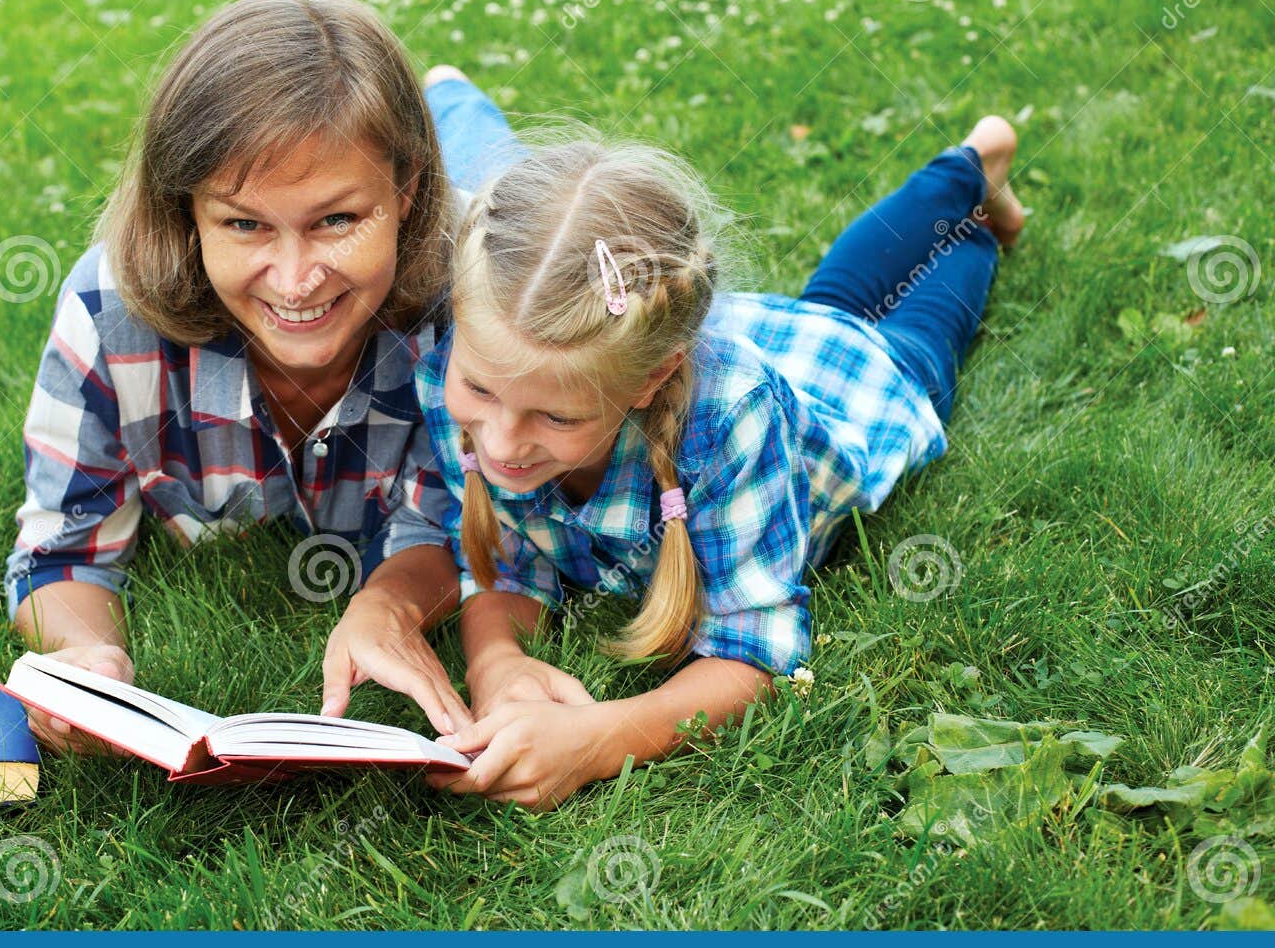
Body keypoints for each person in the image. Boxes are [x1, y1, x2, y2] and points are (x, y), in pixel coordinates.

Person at [413, 70, 1023, 808]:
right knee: (836, 289)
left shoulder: (730, 420)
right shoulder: (472, 362)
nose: (502, 440)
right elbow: (501, 564)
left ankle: (977, 166)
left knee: (949, 265)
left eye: (556, 418)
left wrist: (600, 739)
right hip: (755, 331)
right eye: (480, 392)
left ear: (648, 381)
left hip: (864, 376)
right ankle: (970, 173)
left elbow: (755, 653)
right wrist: (496, 663)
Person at [4, 0, 478, 752]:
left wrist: (389, 601)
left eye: (336, 219)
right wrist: (85, 657)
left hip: (489, 201)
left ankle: (452, 102)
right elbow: (62, 545)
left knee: (528, 192)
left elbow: (469, 520)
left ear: (407, 189)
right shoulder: (107, 310)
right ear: (184, 211)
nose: (295, 282)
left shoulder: (473, 298)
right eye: (245, 223)